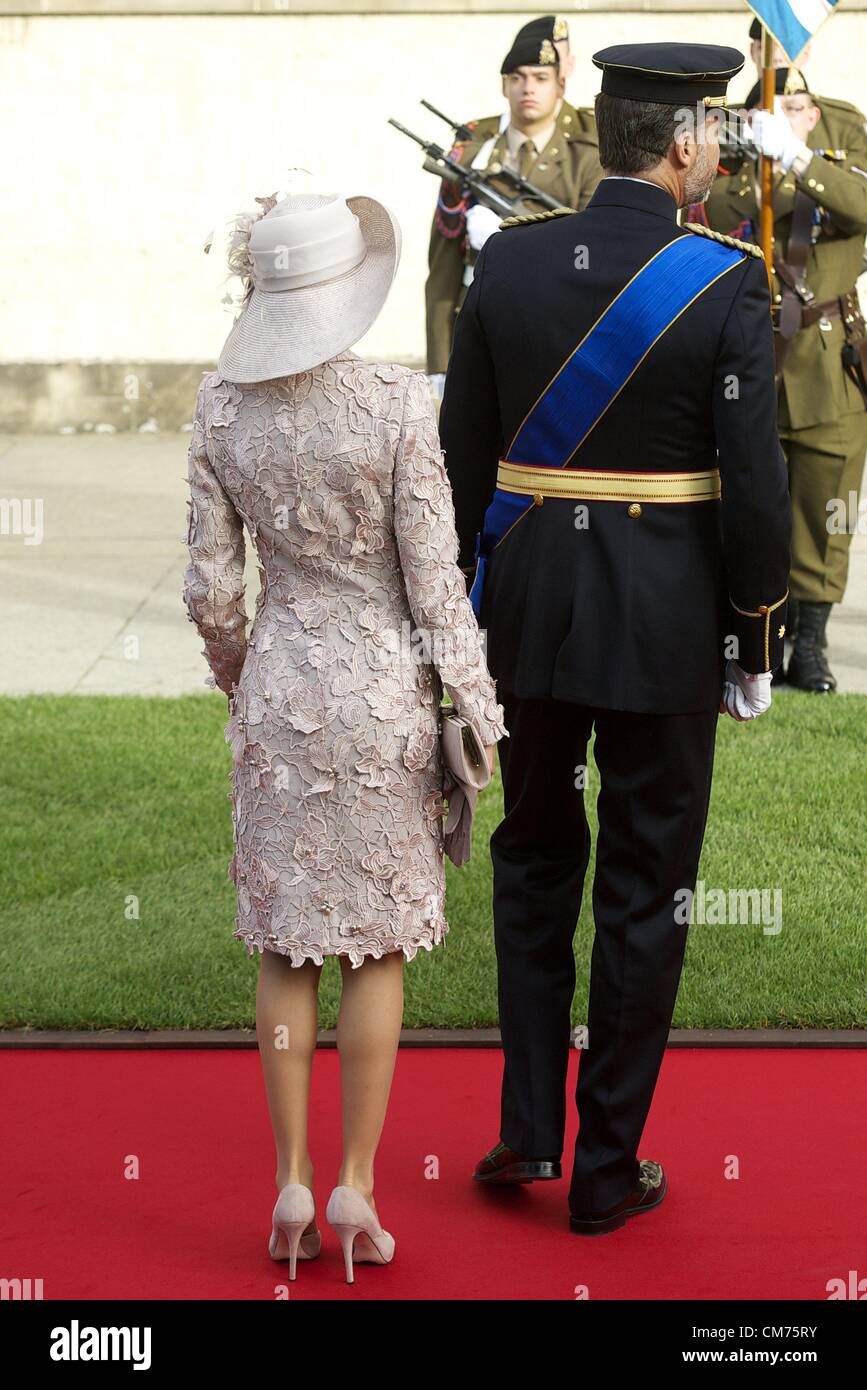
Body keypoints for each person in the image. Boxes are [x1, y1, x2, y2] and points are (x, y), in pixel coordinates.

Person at [438, 42, 791, 1235]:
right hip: (664, 625)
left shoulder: (514, 263)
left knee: (534, 859)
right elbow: (755, 487)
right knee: (647, 891)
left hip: (531, 614)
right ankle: (606, 1171)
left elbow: (459, 457)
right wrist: (754, 635)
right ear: (687, 143)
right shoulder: (726, 279)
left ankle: (529, 1128)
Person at [182, 190, 506, 1282]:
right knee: (372, 948)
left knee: (285, 943)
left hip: (281, 693)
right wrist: (476, 708)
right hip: (383, 701)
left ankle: (288, 1176)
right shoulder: (398, 406)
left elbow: (212, 596)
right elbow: (436, 588)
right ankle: (356, 1182)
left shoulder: (219, 413)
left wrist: (244, 683)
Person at [691, 25, 867, 691]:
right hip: (749, 357)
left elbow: (859, 206)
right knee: (751, 503)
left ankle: (812, 648)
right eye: (767, 44)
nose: (781, 57)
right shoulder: (729, 149)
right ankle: (765, 635)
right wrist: (755, 156)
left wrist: (795, 158)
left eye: (796, 106)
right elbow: (708, 212)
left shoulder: (840, 137)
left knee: (827, 506)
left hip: (825, 358)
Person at [425, 15, 602, 392]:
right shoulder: (473, 152)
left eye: (540, 78)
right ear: (505, 85)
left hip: (559, 335)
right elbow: (442, 272)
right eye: (518, 78)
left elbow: (590, 252)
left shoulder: (585, 155)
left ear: (561, 86)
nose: (528, 89)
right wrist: (440, 365)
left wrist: (512, 237)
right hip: (478, 331)